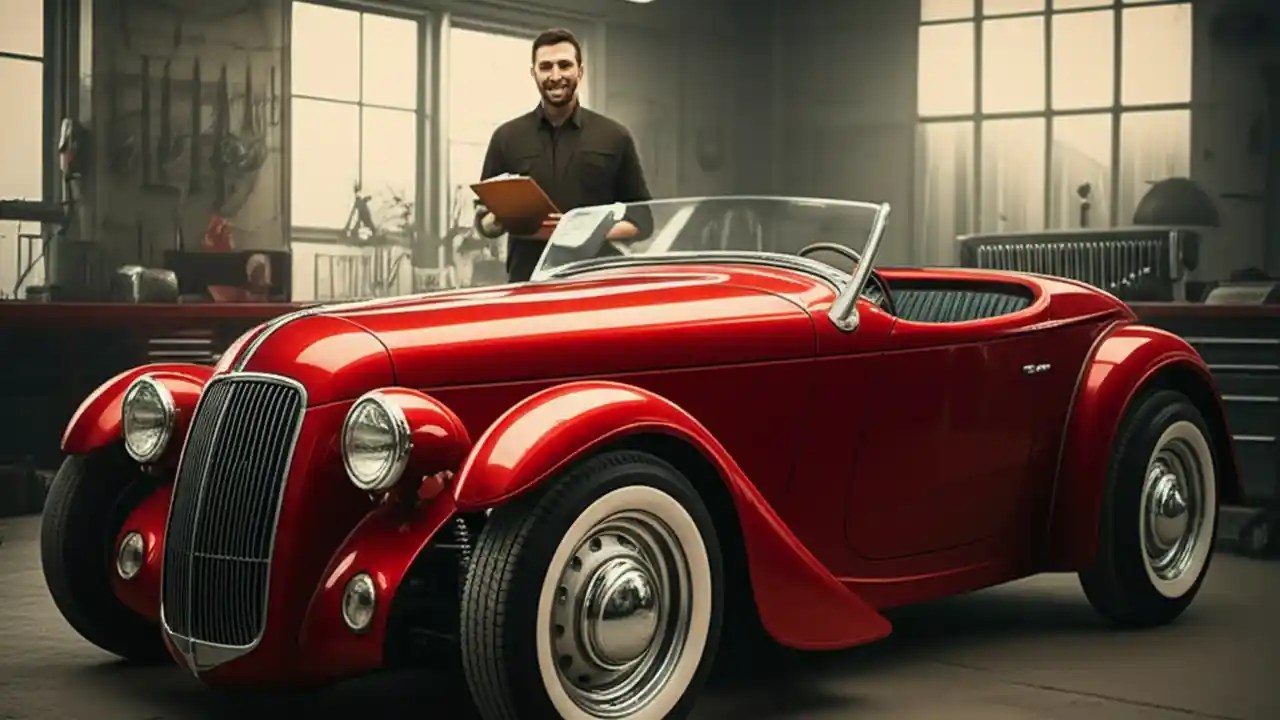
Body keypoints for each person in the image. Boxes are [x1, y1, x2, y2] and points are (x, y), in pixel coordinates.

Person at [474, 27, 652, 283]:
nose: (555, 76)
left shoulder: (615, 136)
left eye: (564, 65)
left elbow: (643, 221)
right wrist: (499, 219)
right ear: (533, 73)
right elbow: (484, 224)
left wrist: (585, 230)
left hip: (595, 285)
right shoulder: (506, 137)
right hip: (527, 284)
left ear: (580, 71)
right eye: (546, 66)